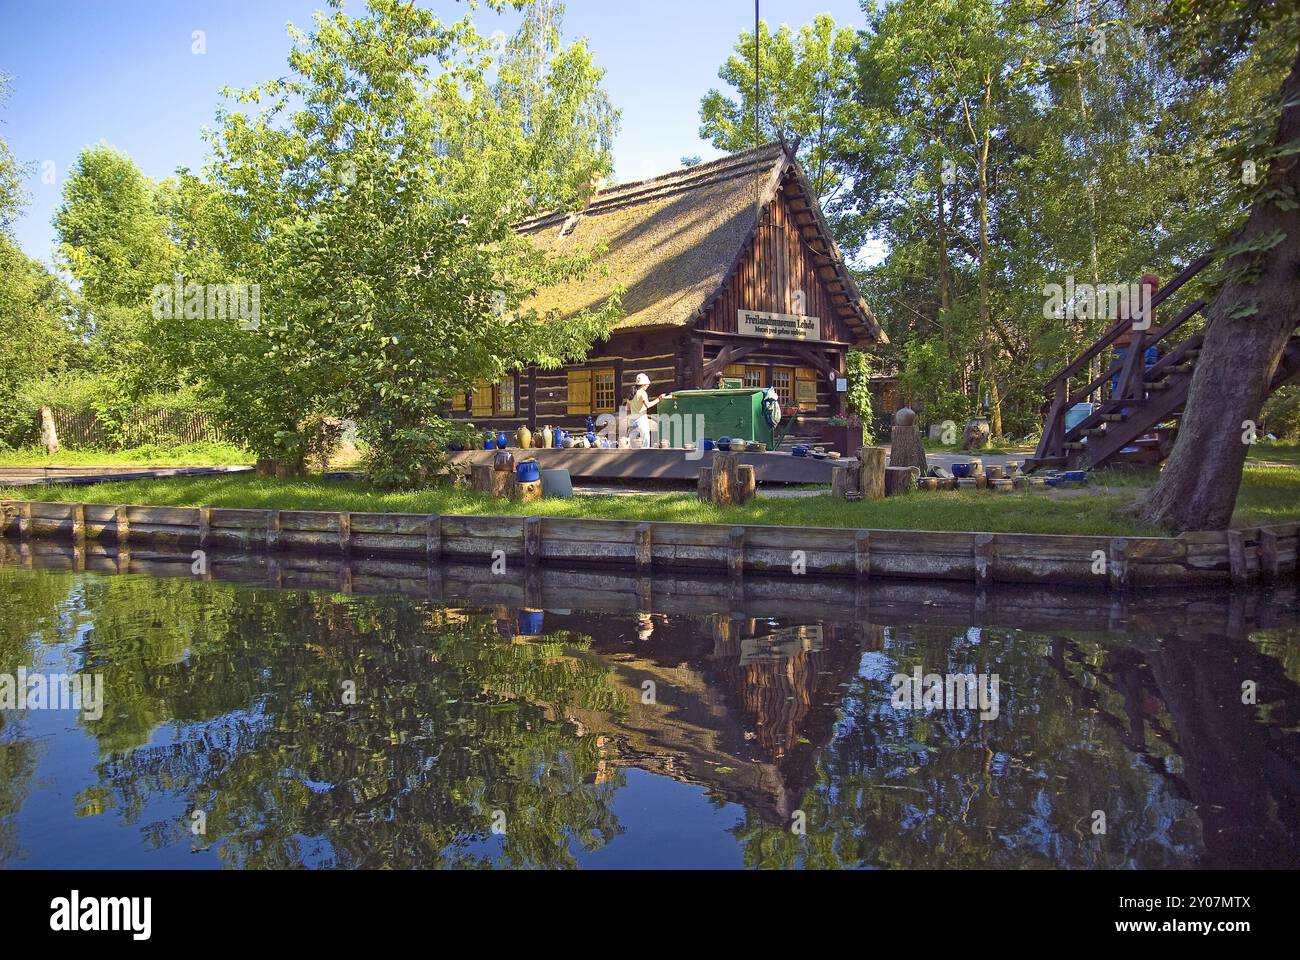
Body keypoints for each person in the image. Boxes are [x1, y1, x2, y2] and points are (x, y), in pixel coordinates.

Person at [628, 373, 667, 448]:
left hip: (632, 418)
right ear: (643, 384)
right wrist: (659, 399)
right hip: (641, 419)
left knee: (632, 442)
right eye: (647, 384)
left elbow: (628, 407)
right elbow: (648, 405)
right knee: (645, 440)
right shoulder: (643, 393)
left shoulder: (632, 393)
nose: (648, 385)